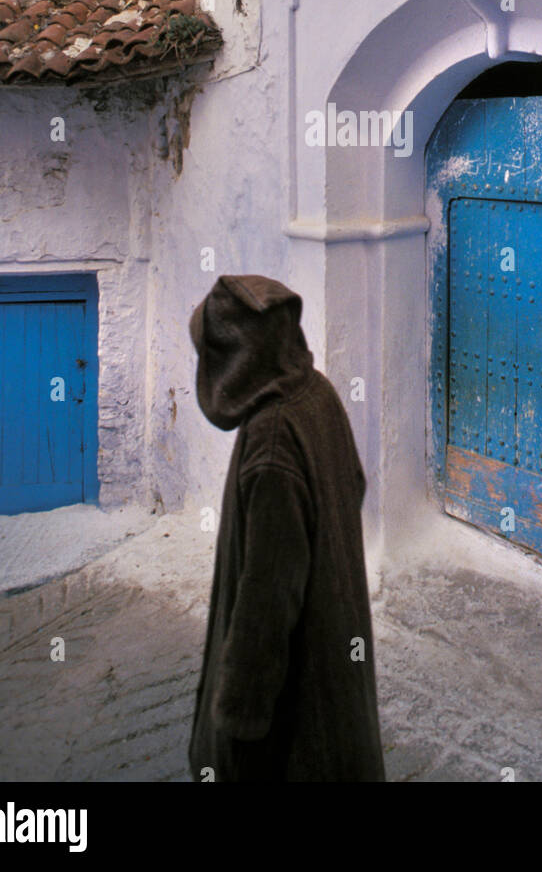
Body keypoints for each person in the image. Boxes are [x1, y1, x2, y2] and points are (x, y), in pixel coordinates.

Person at [187, 273, 386, 782]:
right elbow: (354, 484)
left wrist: (241, 713)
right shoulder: (315, 392)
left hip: (297, 704)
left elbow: (269, 596)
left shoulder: (271, 437)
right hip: (336, 642)